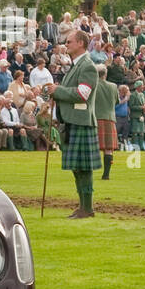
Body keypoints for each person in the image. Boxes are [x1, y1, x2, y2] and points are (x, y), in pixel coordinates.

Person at [44, 27, 100, 218]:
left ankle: (87, 208)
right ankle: (84, 207)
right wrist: (56, 95)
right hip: (72, 121)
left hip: (81, 122)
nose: (65, 44)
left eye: (69, 41)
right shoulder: (76, 66)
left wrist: (57, 91)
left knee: (83, 168)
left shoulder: (87, 66)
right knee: (78, 168)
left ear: (80, 43)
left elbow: (82, 94)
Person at [93, 63, 118, 179]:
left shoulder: (93, 85)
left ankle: (90, 173)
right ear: (105, 74)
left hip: (94, 118)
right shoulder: (113, 86)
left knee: (92, 147)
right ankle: (106, 175)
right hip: (110, 119)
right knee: (108, 149)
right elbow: (116, 101)